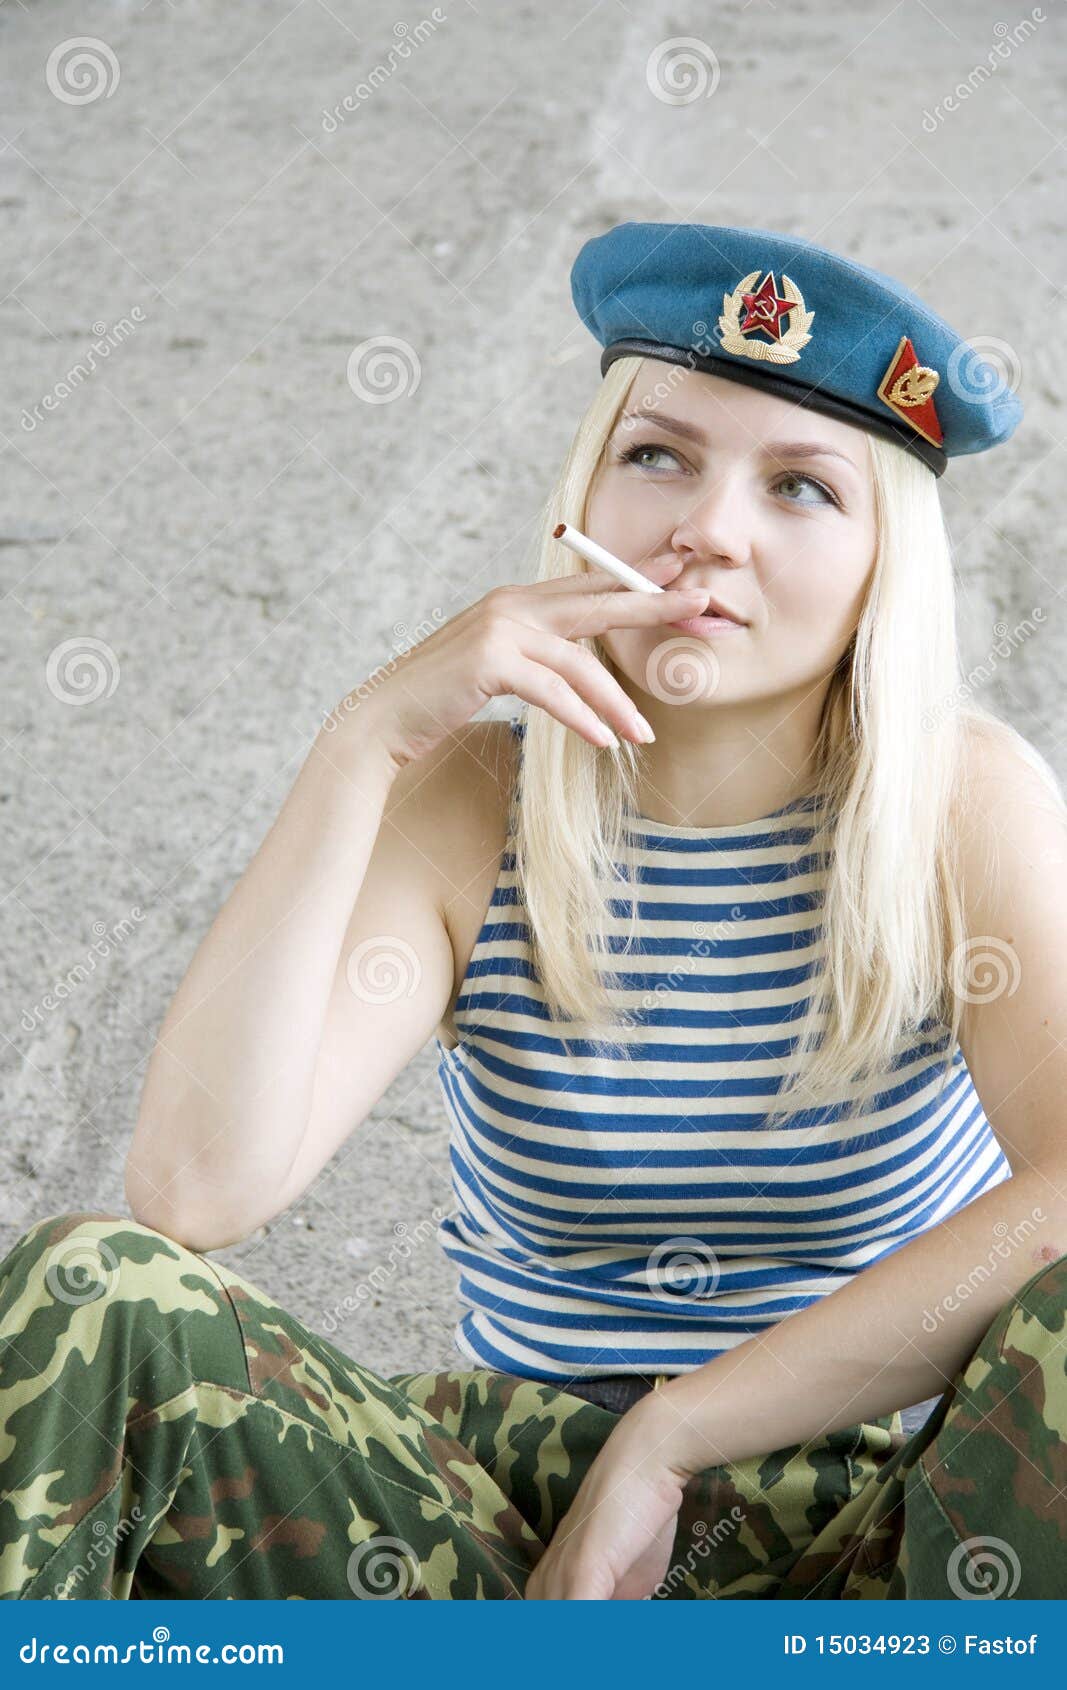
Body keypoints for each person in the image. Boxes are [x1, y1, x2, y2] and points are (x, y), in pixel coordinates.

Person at [3, 220, 1067, 1602]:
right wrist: (366, 737)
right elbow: (196, 1186)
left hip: (867, 1541)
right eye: (659, 454)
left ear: (884, 569)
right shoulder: (471, 805)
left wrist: (676, 1433)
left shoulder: (959, 799)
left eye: (801, 487)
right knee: (93, 1287)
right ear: (585, 495)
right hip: (504, 1531)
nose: (708, 526)